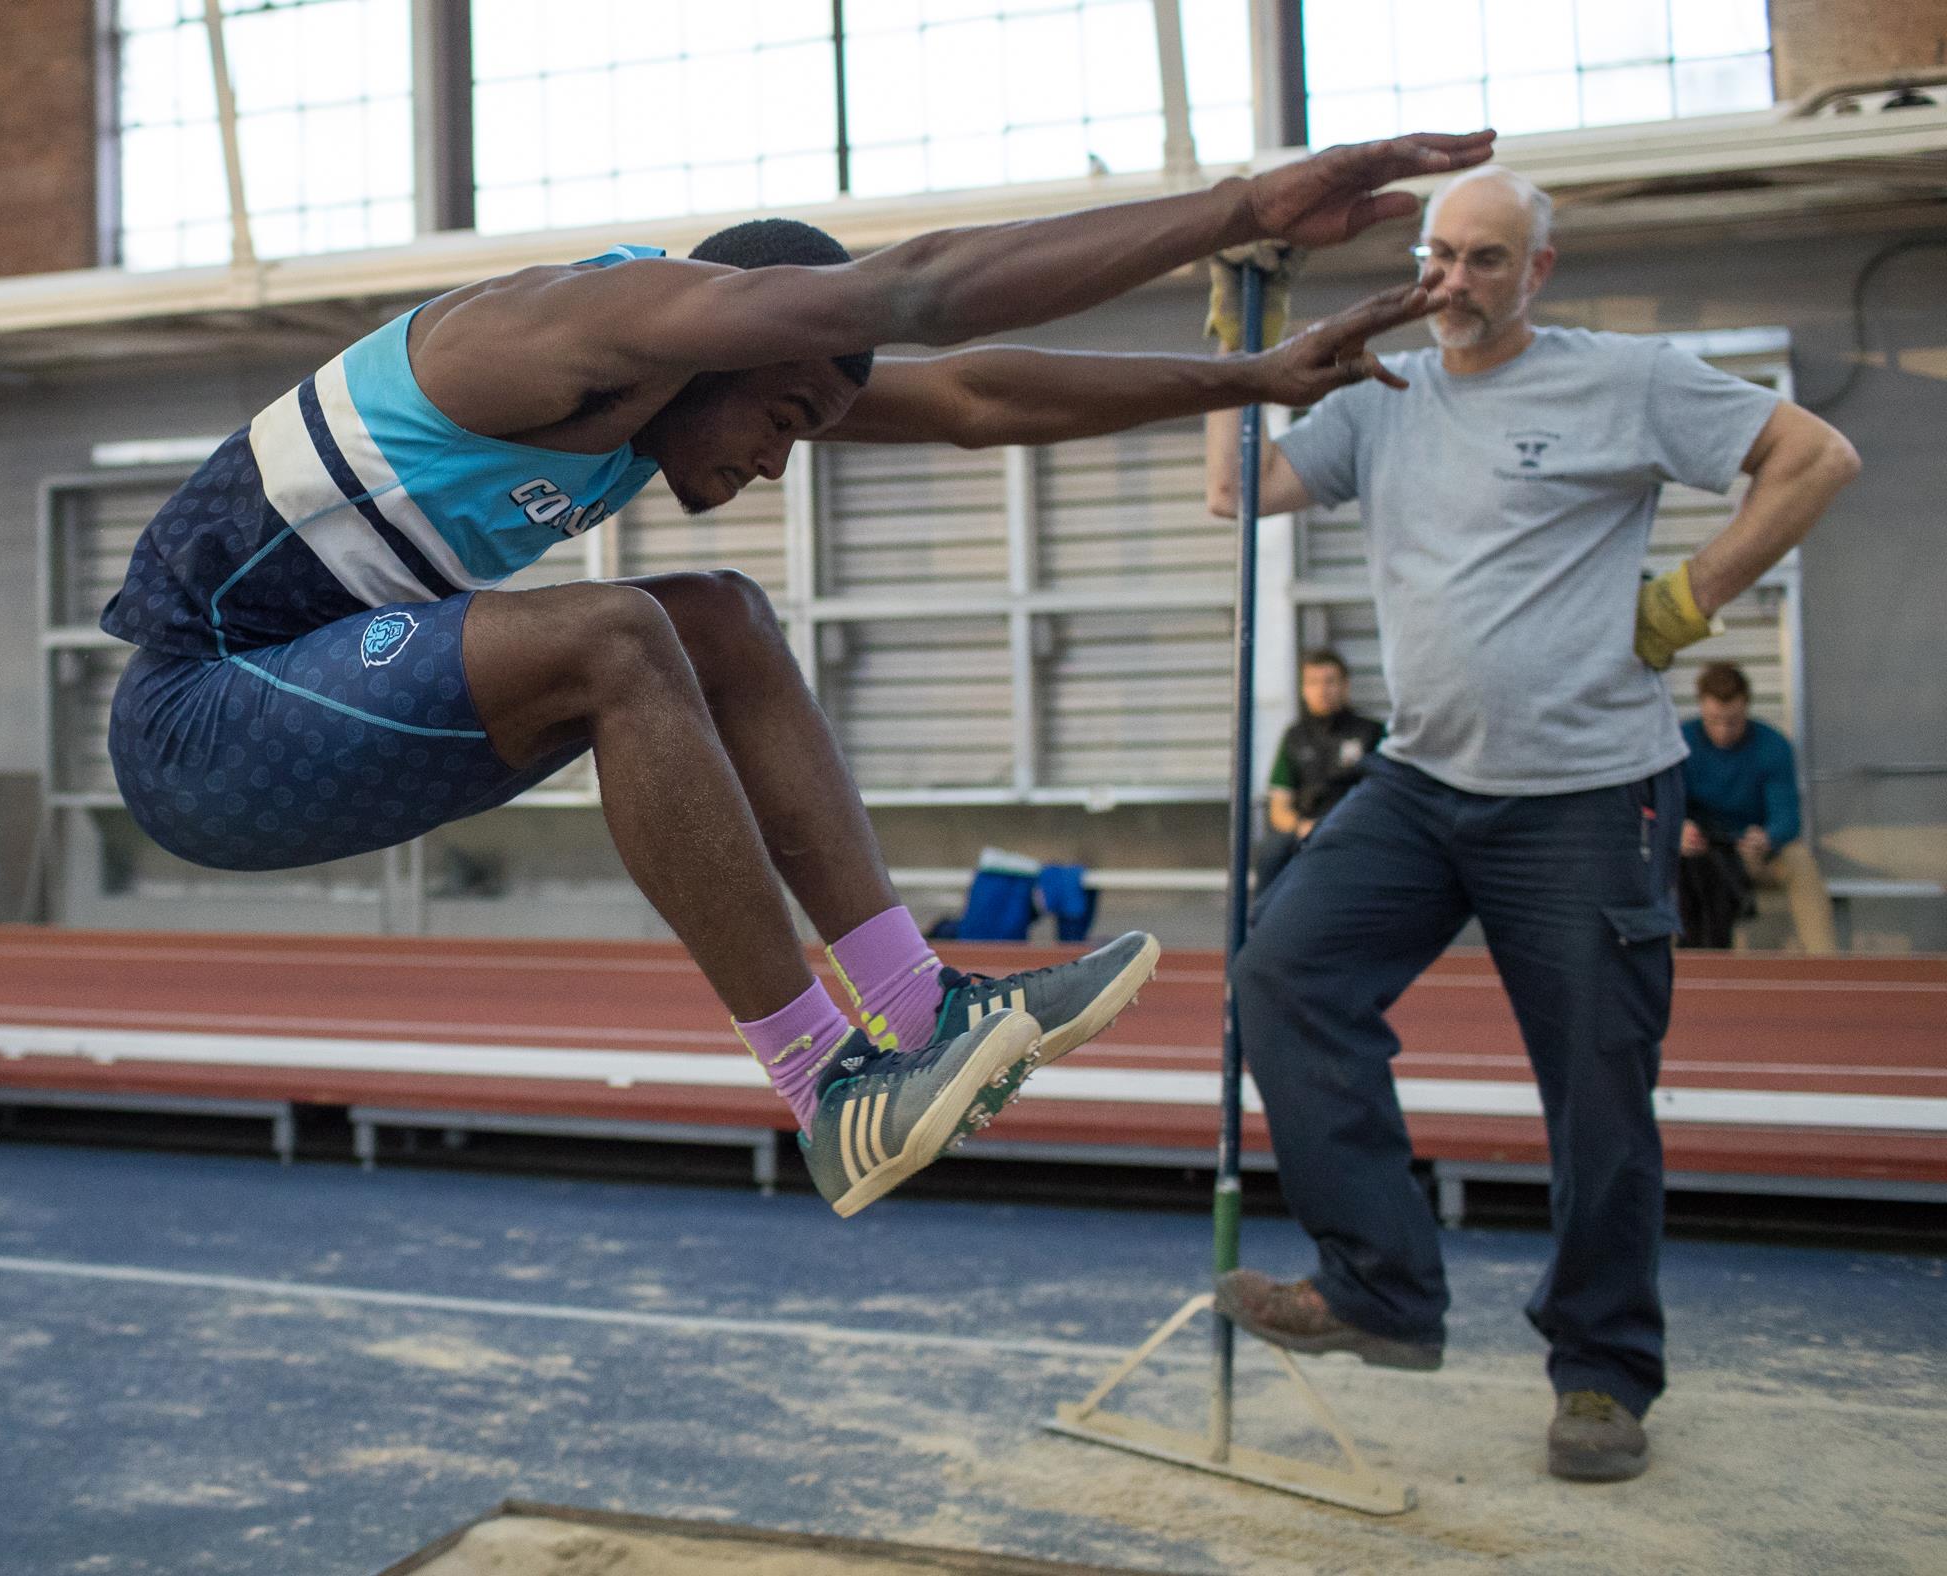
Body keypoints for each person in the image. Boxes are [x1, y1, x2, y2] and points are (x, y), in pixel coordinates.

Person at [98, 132, 1500, 1219]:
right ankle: (828, 1086)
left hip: (305, 690)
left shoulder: (688, 386)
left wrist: (1248, 386)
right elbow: (930, 293)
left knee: (720, 614)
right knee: (620, 634)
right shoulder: (573, 333)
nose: (779, 458)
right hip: (195, 721)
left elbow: (968, 398)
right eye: (782, 417)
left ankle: (915, 1008)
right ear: (736, 339)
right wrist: (1242, 212)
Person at [1200, 165, 1860, 1480]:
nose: (1451, 282)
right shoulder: (1385, 397)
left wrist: (1689, 599)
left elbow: (1815, 455)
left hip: (1590, 792)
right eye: (1438, 256)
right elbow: (1240, 493)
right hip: (1422, 782)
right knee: (1284, 973)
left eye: (1486, 260)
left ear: (1539, 271)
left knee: (1598, 1097)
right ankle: (1383, 1286)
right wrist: (1230, 352)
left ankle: (1603, 1375)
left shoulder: (1627, 379)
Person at [1678, 662, 1836, 953]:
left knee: (1799, 860)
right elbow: (1657, 806)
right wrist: (1679, 829)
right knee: (1657, 864)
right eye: (1713, 720)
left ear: (1747, 707)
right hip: (1697, 855)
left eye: (1733, 721)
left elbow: (1788, 818)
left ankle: (1824, 962)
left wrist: (1767, 837)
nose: (1723, 730)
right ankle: (1666, 966)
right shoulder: (1678, 742)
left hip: (1749, 852)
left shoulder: (1772, 745)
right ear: (1700, 707)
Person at [1251, 649, 1383, 901]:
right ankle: (1261, 928)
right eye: (1313, 682)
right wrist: (1302, 827)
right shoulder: (1294, 737)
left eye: (1330, 681)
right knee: (1272, 853)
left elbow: (1386, 796)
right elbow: (1278, 808)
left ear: (1345, 686)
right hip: (1306, 828)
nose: (1322, 690)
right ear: (1303, 689)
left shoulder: (1372, 733)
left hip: (1356, 827)